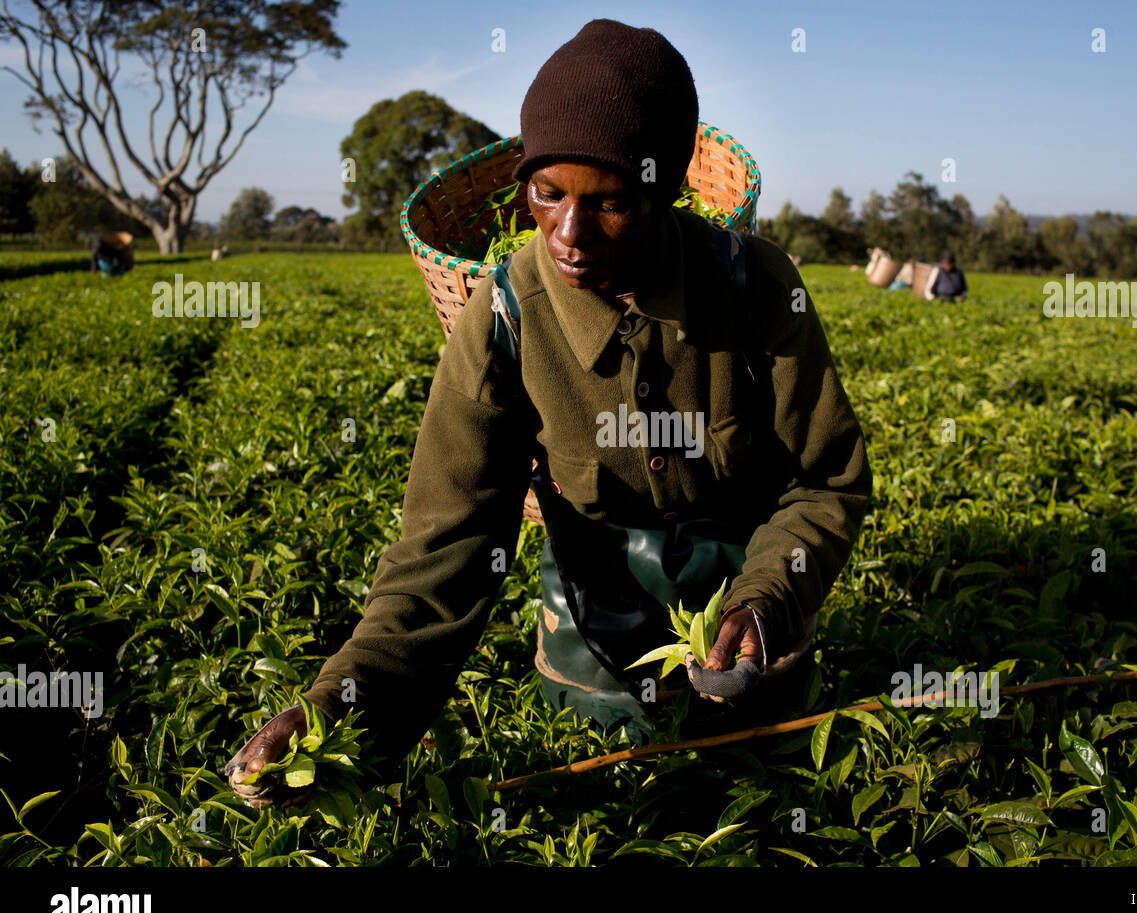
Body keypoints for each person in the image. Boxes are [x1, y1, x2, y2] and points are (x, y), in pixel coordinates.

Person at [224, 18, 872, 809]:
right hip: (591, 611)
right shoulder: (505, 316)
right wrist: (337, 708)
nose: (569, 234)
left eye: (610, 204)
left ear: (664, 190)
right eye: (548, 194)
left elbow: (825, 483)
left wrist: (763, 600)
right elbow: (446, 545)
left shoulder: (756, 288)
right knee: (607, 803)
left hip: (746, 613)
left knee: (753, 799)